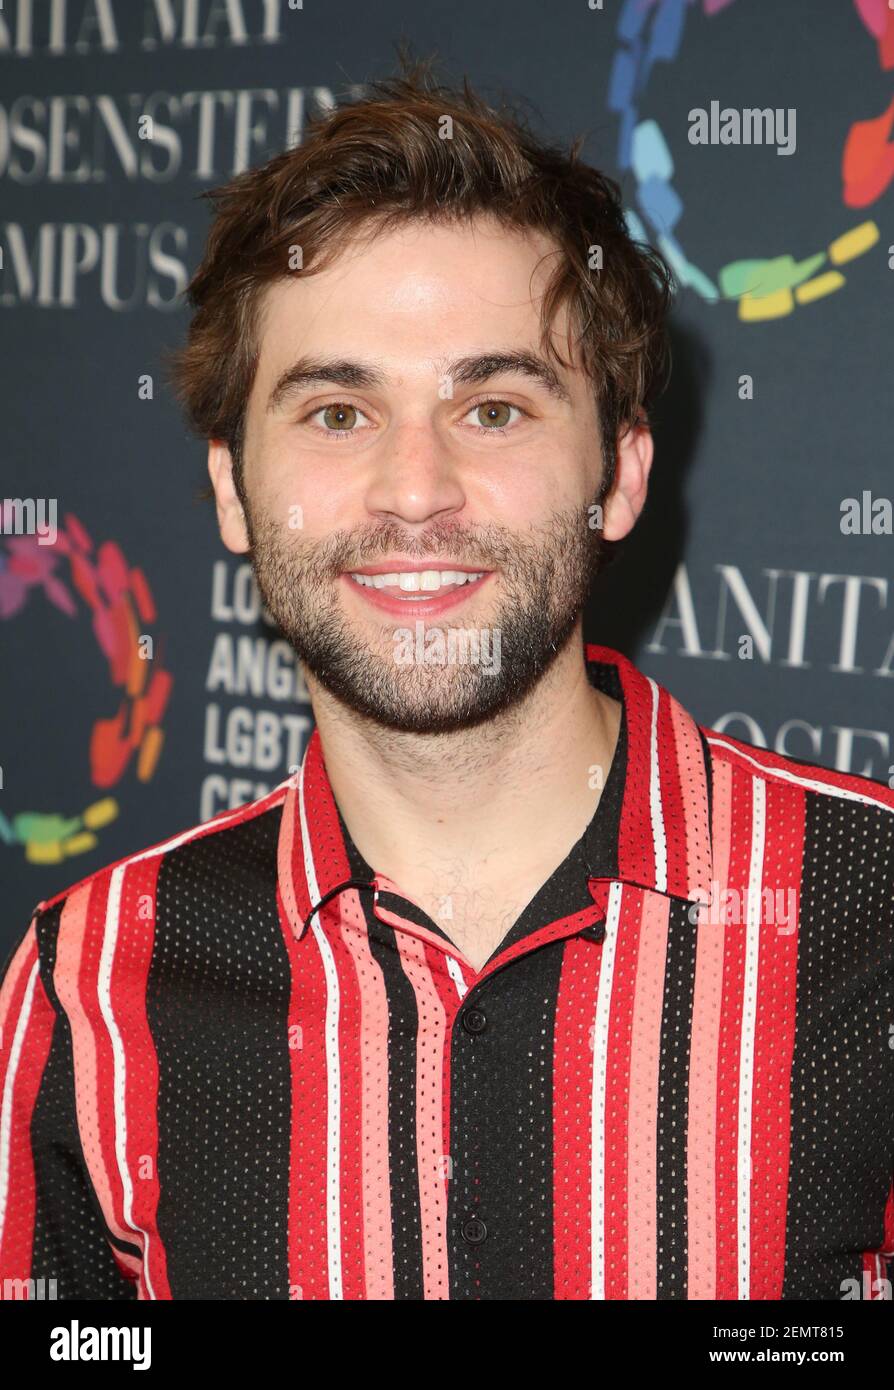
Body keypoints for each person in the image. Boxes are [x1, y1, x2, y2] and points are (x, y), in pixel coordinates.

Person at [1, 61, 892, 1303]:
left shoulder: (872, 916)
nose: (414, 491)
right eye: (336, 414)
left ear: (622, 475)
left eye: (495, 409)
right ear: (229, 490)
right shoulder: (90, 977)